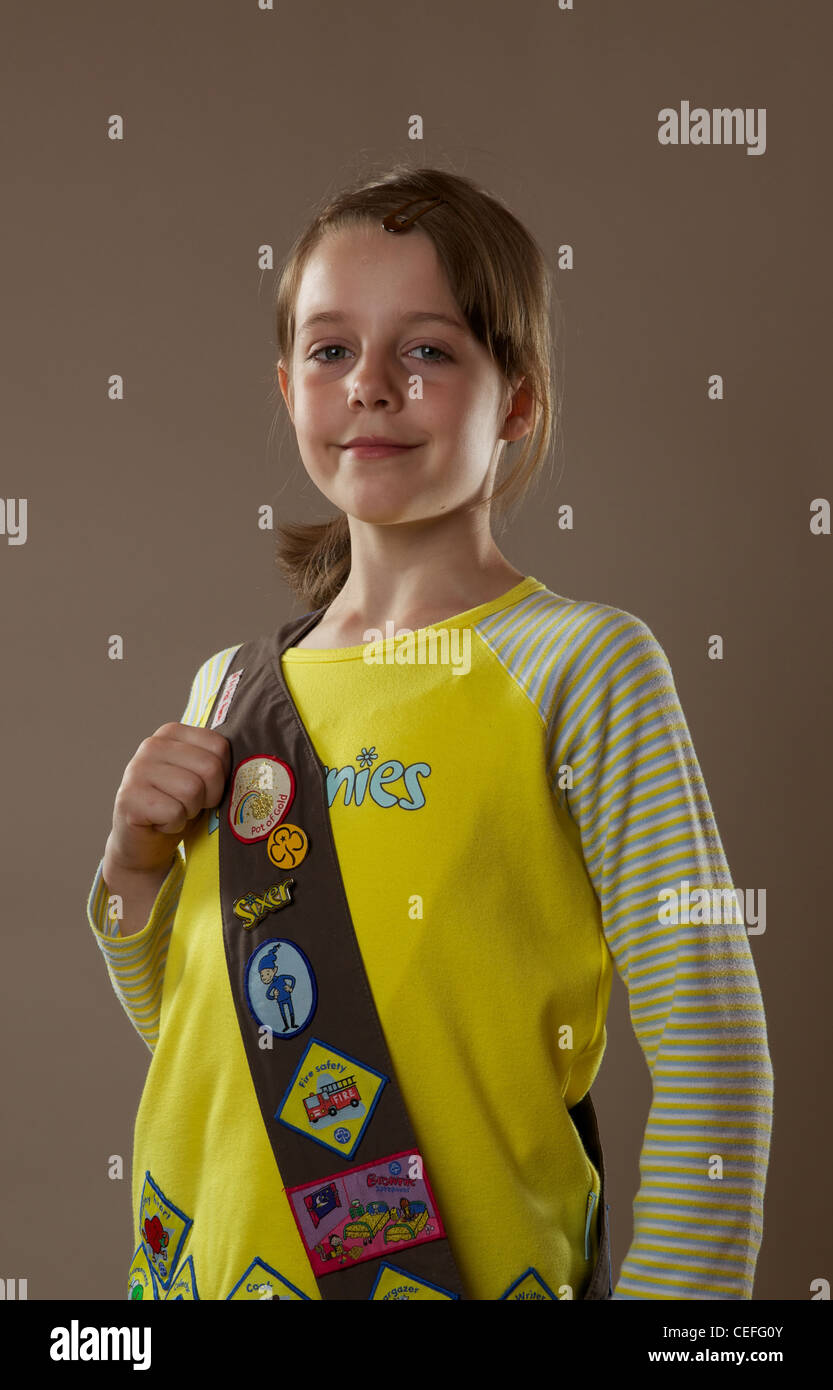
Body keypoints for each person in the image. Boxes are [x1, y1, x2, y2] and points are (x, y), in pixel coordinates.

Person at [87, 164, 774, 1302]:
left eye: (427, 350)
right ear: (287, 384)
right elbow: (226, 1033)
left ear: (516, 399)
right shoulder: (228, 687)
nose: (370, 386)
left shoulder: (582, 666)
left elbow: (713, 1060)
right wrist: (130, 871)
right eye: (328, 350)